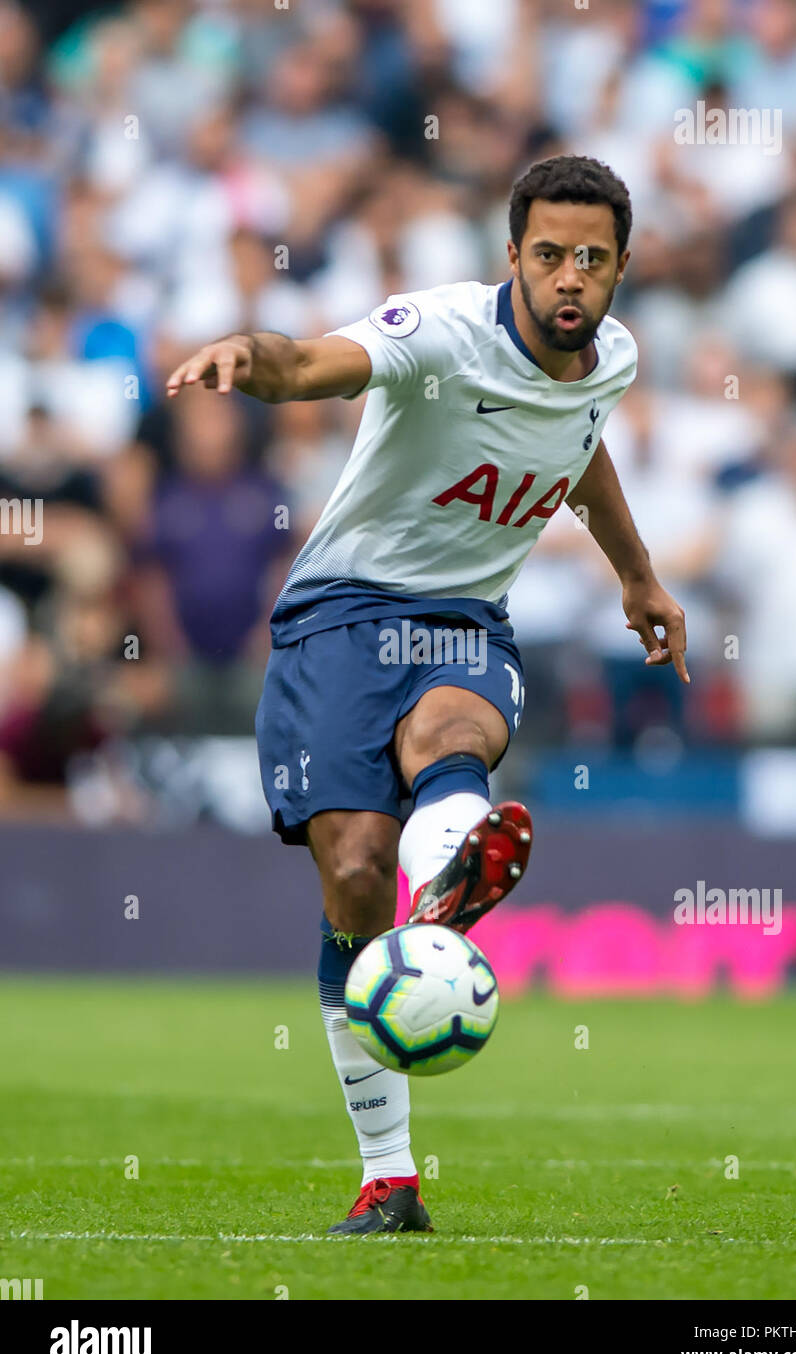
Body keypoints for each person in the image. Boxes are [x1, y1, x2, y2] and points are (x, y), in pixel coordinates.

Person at [166, 154, 689, 1235]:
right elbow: (310, 362)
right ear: (514, 256)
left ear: (621, 268)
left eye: (593, 260)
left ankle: (450, 864)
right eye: (550, 254)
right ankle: (390, 1177)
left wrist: (637, 575)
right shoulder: (441, 332)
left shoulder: (612, 360)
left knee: (454, 731)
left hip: (464, 619)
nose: (570, 277)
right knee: (355, 874)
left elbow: (579, 446)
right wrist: (246, 356)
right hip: (338, 616)